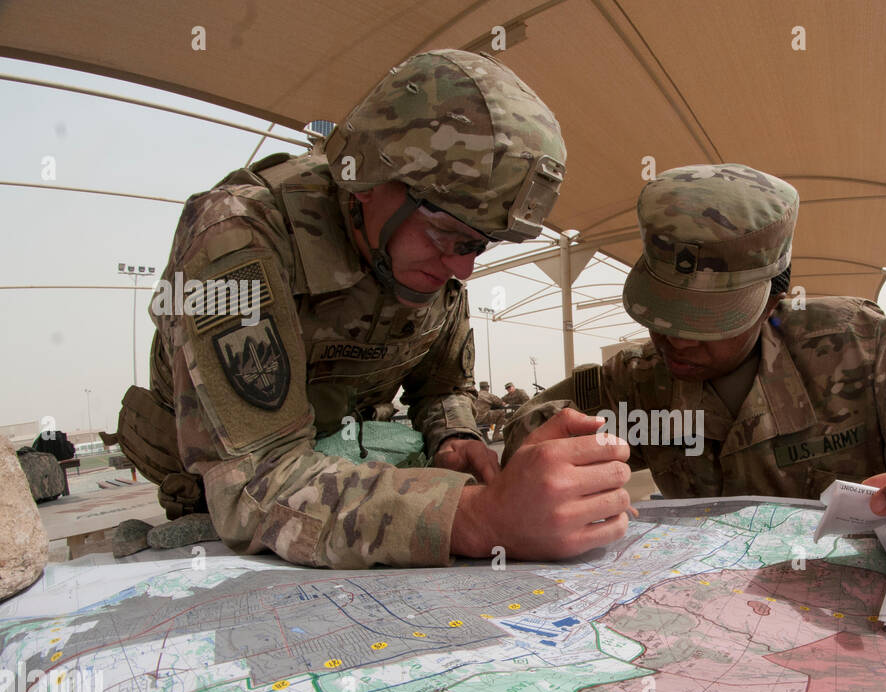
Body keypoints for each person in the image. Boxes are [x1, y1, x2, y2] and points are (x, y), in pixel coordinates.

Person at [115, 50, 631, 569]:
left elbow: (444, 385)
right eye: (448, 235)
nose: (464, 268)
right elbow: (256, 482)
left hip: (345, 476)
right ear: (370, 180)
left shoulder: (432, 261)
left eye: (480, 245)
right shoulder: (237, 238)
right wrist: (480, 517)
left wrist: (454, 436)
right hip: (227, 497)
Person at [504, 164, 886, 575]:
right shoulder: (637, 383)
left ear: (775, 298)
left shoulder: (859, 346)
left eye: (708, 316)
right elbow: (539, 425)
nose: (673, 336)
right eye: (663, 311)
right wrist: (536, 460)